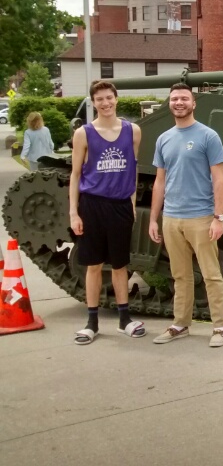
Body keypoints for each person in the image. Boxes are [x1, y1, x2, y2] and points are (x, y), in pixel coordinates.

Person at [148, 83, 223, 347]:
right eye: (174, 99)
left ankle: (219, 328)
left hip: (201, 216)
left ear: (194, 103)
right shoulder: (164, 139)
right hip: (172, 217)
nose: (179, 102)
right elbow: (160, 181)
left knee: (211, 275)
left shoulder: (208, 136)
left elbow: (218, 179)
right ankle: (180, 324)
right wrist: (153, 218)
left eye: (184, 98)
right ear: (169, 103)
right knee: (180, 275)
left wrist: (219, 217)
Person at [69, 81, 145, 344]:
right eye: (99, 99)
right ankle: (92, 322)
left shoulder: (133, 131)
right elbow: (76, 174)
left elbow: (132, 170)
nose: (105, 103)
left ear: (116, 99)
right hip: (93, 204)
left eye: (109, 98)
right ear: (93, 102)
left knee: (120, 265)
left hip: (120, 205)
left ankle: (124, 320)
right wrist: (73, 213)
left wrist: (132, 203)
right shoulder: (84, 134)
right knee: (94, 265)